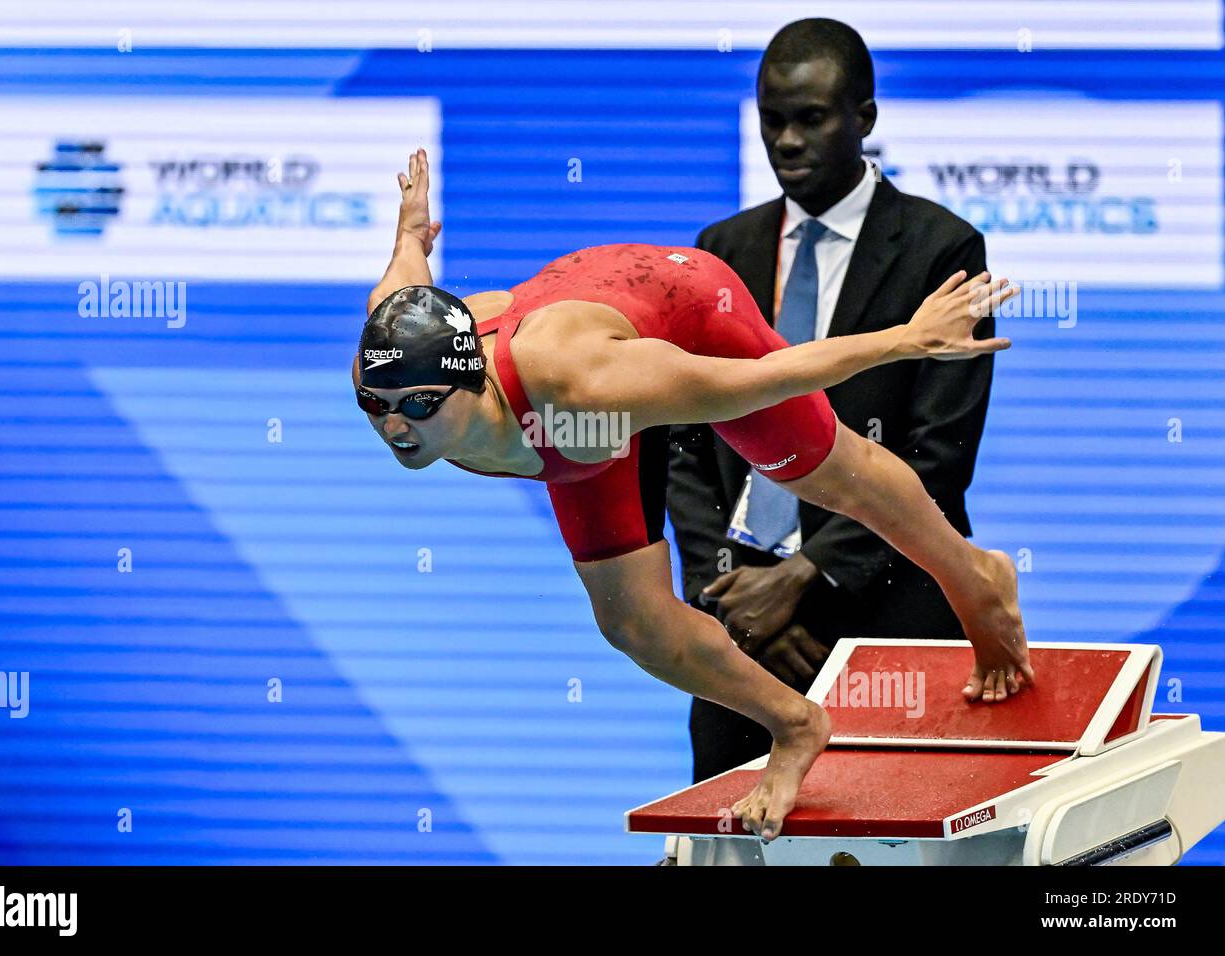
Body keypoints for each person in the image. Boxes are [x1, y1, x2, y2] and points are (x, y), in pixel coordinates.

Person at [352, 147, 1033, 842]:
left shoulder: (585, 384)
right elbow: (402, 285)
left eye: (421, 404)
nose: (396, 425)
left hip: (682, 308)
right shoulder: (390, 352)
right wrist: (409, 239)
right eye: (375, 405)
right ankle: (796, 725)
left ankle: (975, 575)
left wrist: (904, 340)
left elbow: (768, 378)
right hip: (574, 416)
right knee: (631, 623)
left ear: (469, 381)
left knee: (824, 471)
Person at [668, 18, 1004, 784]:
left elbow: (938, 459)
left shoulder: (942, 249)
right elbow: (681, 441)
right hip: (740, 641)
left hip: (888, 625)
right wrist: (726, 594)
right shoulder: (718, 251)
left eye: (811, 119)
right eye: (772, 120)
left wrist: (803, 577)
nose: (787, 140)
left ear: (865, 119)